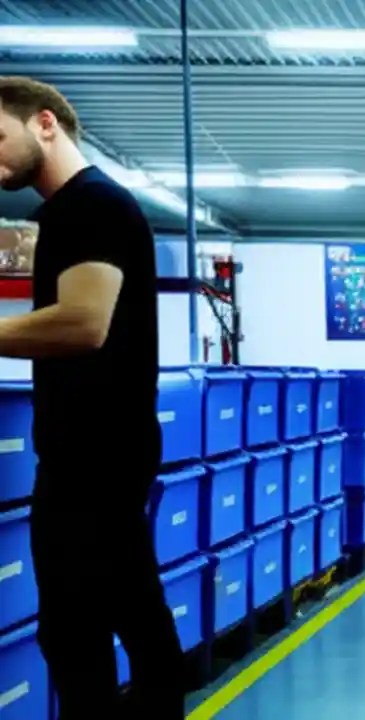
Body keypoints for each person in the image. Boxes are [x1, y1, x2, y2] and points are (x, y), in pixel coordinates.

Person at [0, 76, 185, 718]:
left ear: (43, 123)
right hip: (104, 450)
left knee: (78, 631)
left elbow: (83, 323)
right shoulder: (72, 211)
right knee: (130, 608)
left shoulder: (92, 207)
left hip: (94, 458)